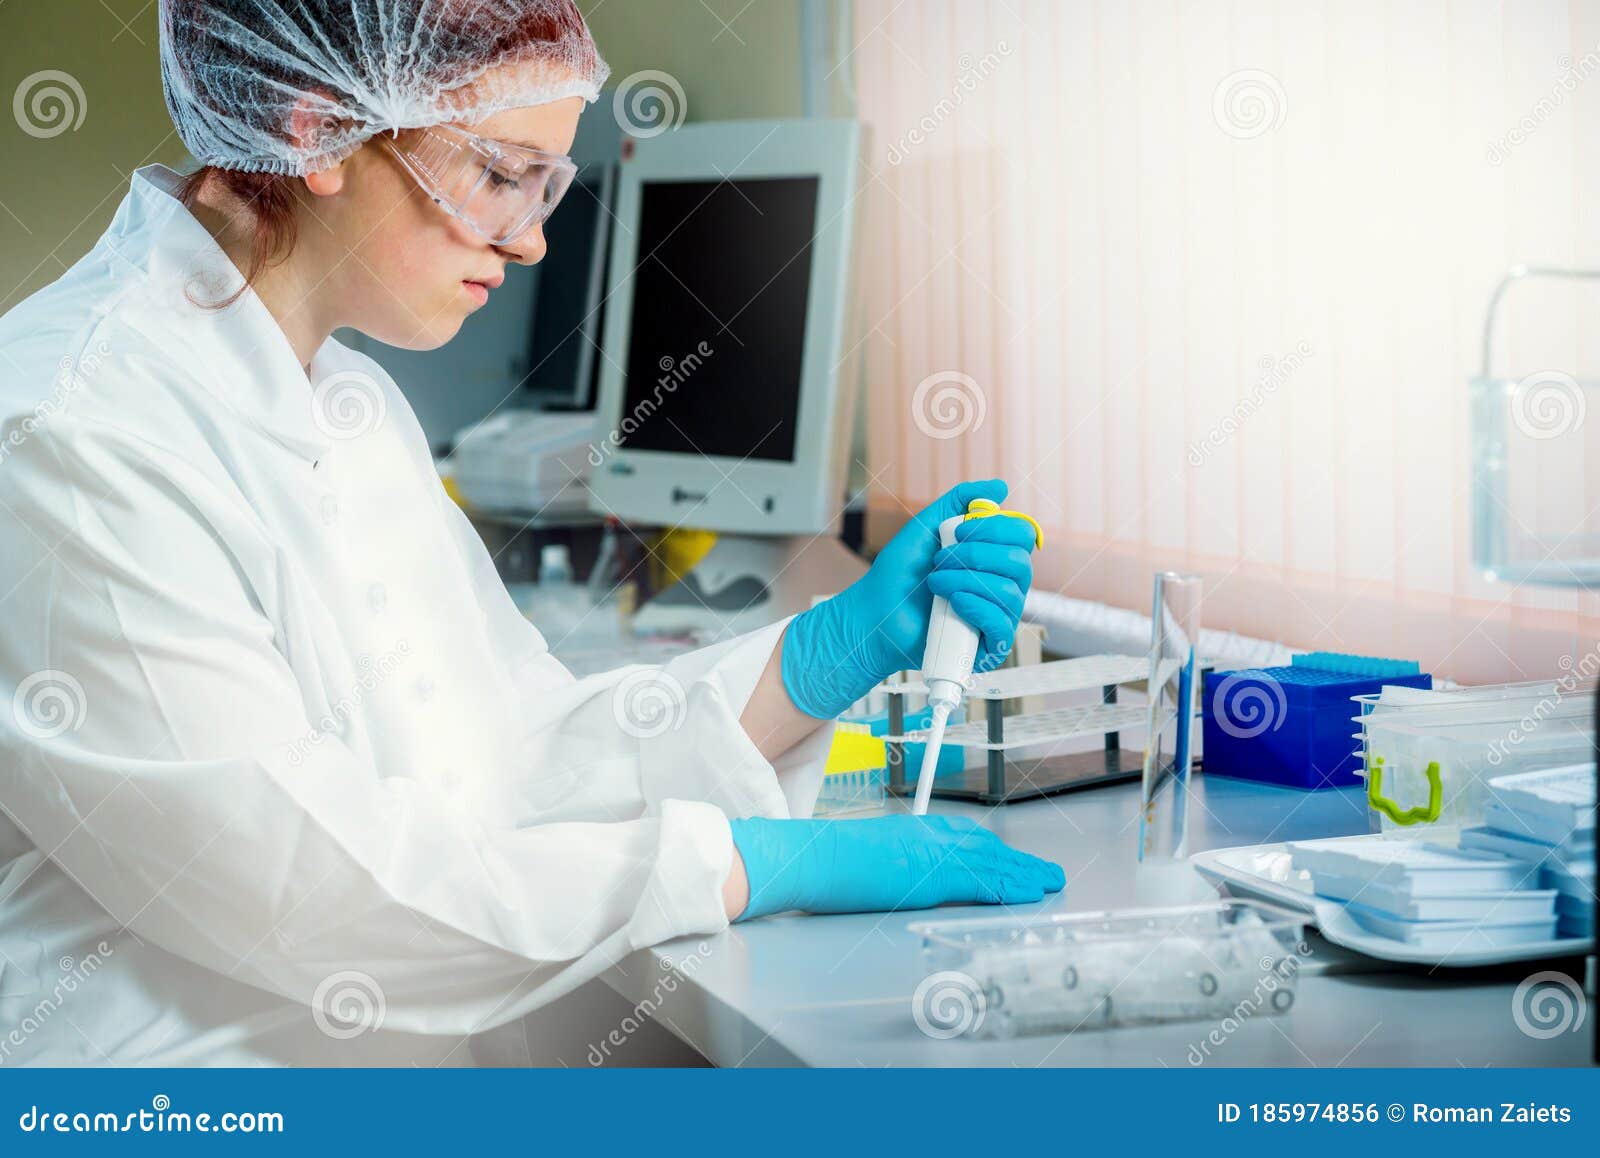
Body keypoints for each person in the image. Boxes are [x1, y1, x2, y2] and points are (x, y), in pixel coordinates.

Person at [0, 0, 1059, 1066]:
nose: (534, 235)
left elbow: (500, 759)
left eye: (545, 184)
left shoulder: (347, 404)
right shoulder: (72, 431)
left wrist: (822, 656)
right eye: (500, 176)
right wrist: (736, 864)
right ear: (315, 131)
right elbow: (311, 888)